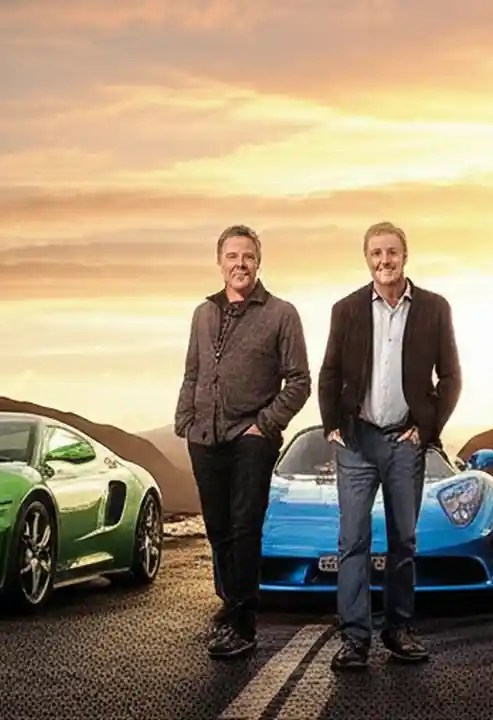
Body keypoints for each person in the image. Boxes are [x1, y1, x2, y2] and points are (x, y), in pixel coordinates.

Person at [317, 221, 462, 670]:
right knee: (352, 542)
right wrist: (330, 426)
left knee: (404, 540)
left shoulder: (435, 308)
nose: (385, 260)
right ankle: (355, 640)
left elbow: (451, 376)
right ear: (367, 259)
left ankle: (398, 630)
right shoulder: (346, 309)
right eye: (376, 253)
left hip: (404, 441)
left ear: (405, 256)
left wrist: (426, 427)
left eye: (392, 252)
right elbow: (330, 371)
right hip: (356, 441)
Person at [174, 224, 312, 659]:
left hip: (251, 436)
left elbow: (300, 381)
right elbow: (192, 371)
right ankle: (231, 603)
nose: (240, 264)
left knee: (244, 525)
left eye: (247, 256)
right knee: (217, 528)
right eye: (232, 257)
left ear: (259, 261)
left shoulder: (280, 313)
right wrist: (185, 420)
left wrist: (265, 424)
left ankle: (244, 624)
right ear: (220, 263)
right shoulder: (203, 312)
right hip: (204, 436)